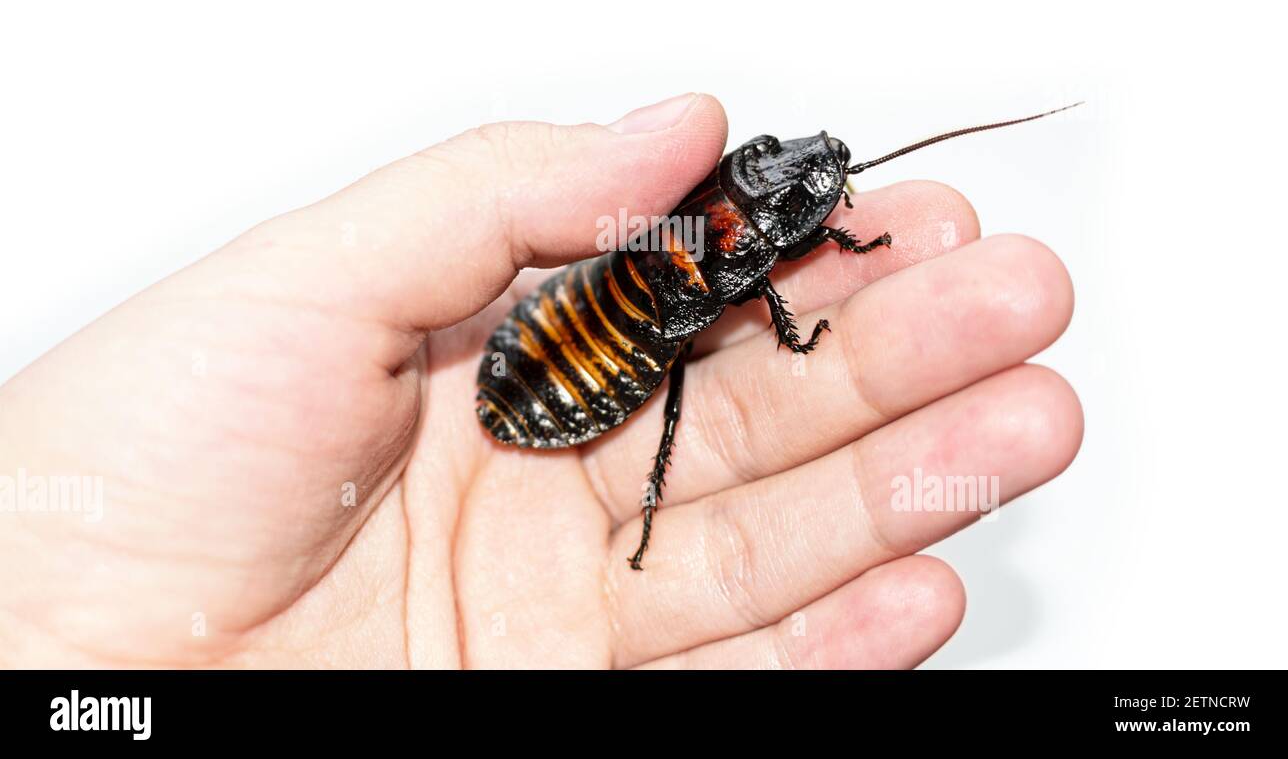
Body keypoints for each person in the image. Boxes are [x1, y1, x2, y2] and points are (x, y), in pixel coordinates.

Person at [0, 93, 1081, 668]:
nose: (814, 170)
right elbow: (773, 295)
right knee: (677, 393)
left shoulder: (746, 248)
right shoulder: (758, 262)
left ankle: (650, 494)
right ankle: (650, 492)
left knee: (678, 389)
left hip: (593, 324)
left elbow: (771, 275)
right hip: (564, 350)